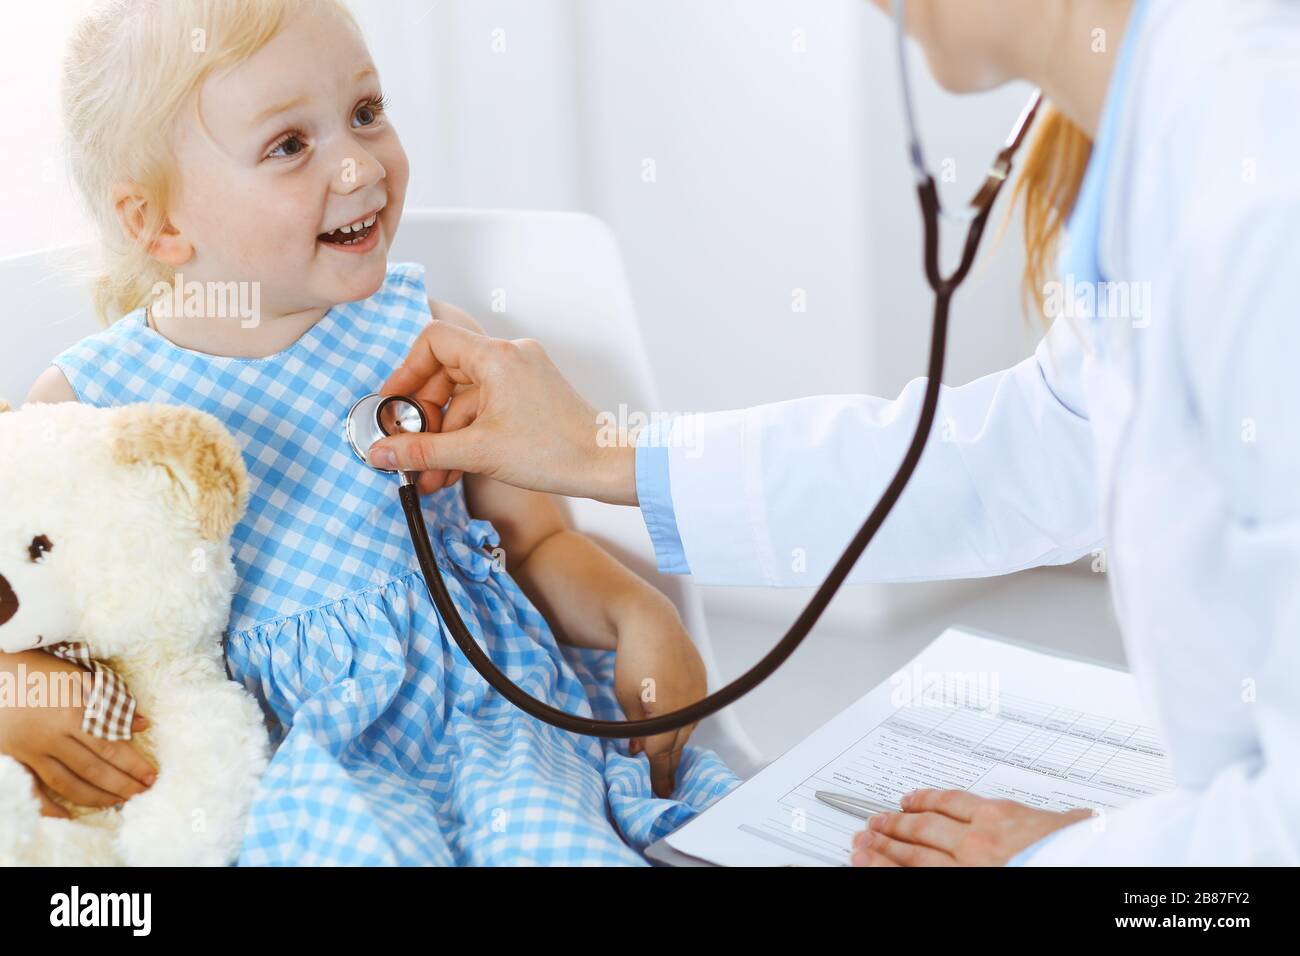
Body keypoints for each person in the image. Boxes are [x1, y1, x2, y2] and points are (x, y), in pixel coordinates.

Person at [368, 0, 1300, 865]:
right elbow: (1025, 451)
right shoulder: (1183, 142)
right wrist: (600, 452)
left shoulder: (1258, 195)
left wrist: (1066, 861)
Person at [6, 0, 738, 866]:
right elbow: (27, 589)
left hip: (486, 727)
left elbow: (531, 543)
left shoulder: (429, 339)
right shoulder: (85, 409)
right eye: (289, 145)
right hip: (276, 765)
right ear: (156, 223)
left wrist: (634, 612)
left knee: (554, 846)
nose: (359, 167)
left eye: (365, 113)